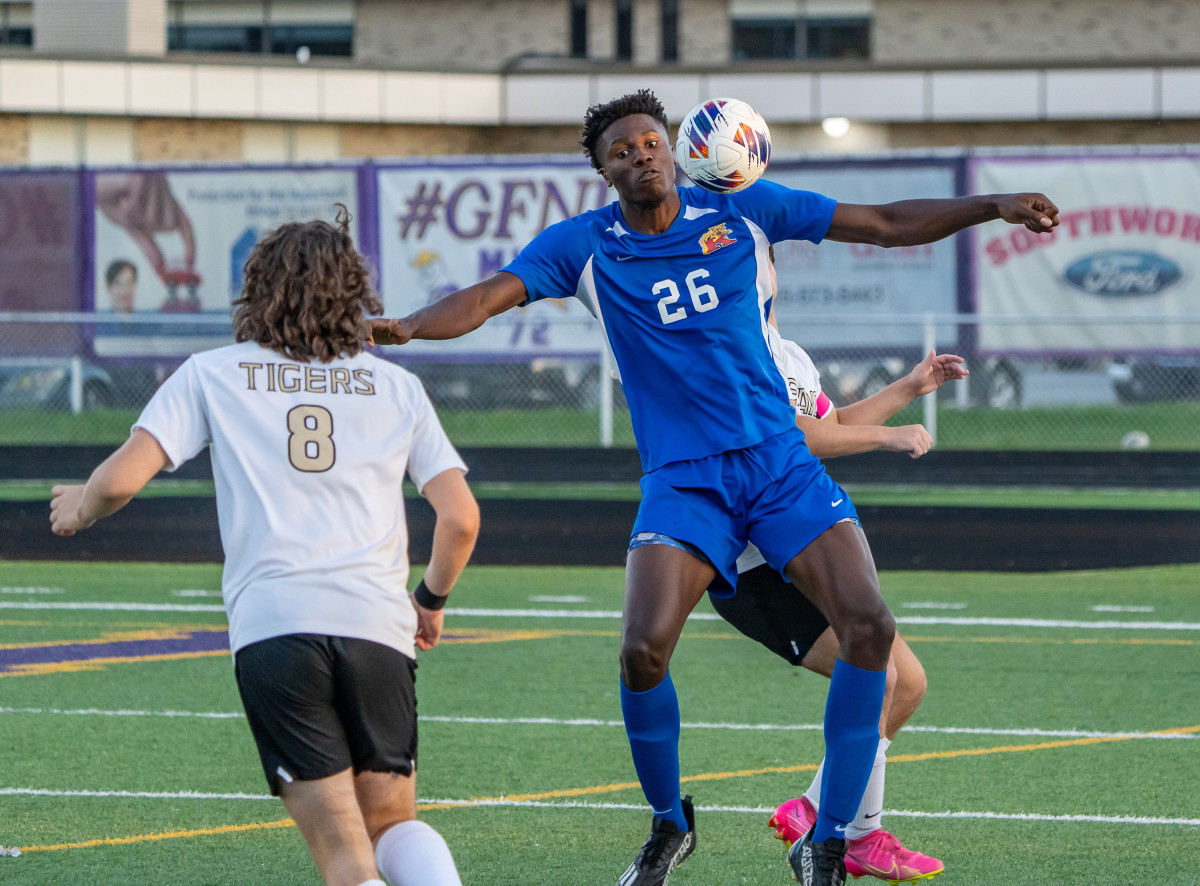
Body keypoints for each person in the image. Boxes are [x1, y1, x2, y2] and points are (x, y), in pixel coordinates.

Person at [369, 89, 1058, 886]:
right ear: (604, 171)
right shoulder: (583, 246)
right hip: (685, 482)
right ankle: (669, 827)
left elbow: (882, 224)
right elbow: (488, 297)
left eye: (650, 141)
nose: (640, 154)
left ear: (672, 148)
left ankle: (829, 838)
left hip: (778, 465)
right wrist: (410, 326)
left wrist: (994, 205)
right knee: (641, 651)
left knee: (871, 629)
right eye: (620, 150)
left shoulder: (746, 208)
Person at [50, 206, 479, 886]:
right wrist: (430, 599)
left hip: (276, 627)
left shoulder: (213, 373)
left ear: (258, 291)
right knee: (395, 822)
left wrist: (80, 505)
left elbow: (122, 479)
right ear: (353, 294)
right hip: (376, 626)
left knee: (345, 855)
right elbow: (460, 519)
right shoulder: (398, 386)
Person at [710, 253, 963, 882]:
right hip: (757, 569)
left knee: (907, 684)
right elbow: (794, 439)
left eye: (759, 258)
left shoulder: (788, 353)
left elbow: (831, 424)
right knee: (878, 683)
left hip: (805, 551)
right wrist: (892, 436)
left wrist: (910, 386)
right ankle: (857, 835)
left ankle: (815, 810)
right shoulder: (730, 351)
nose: (752, 271)